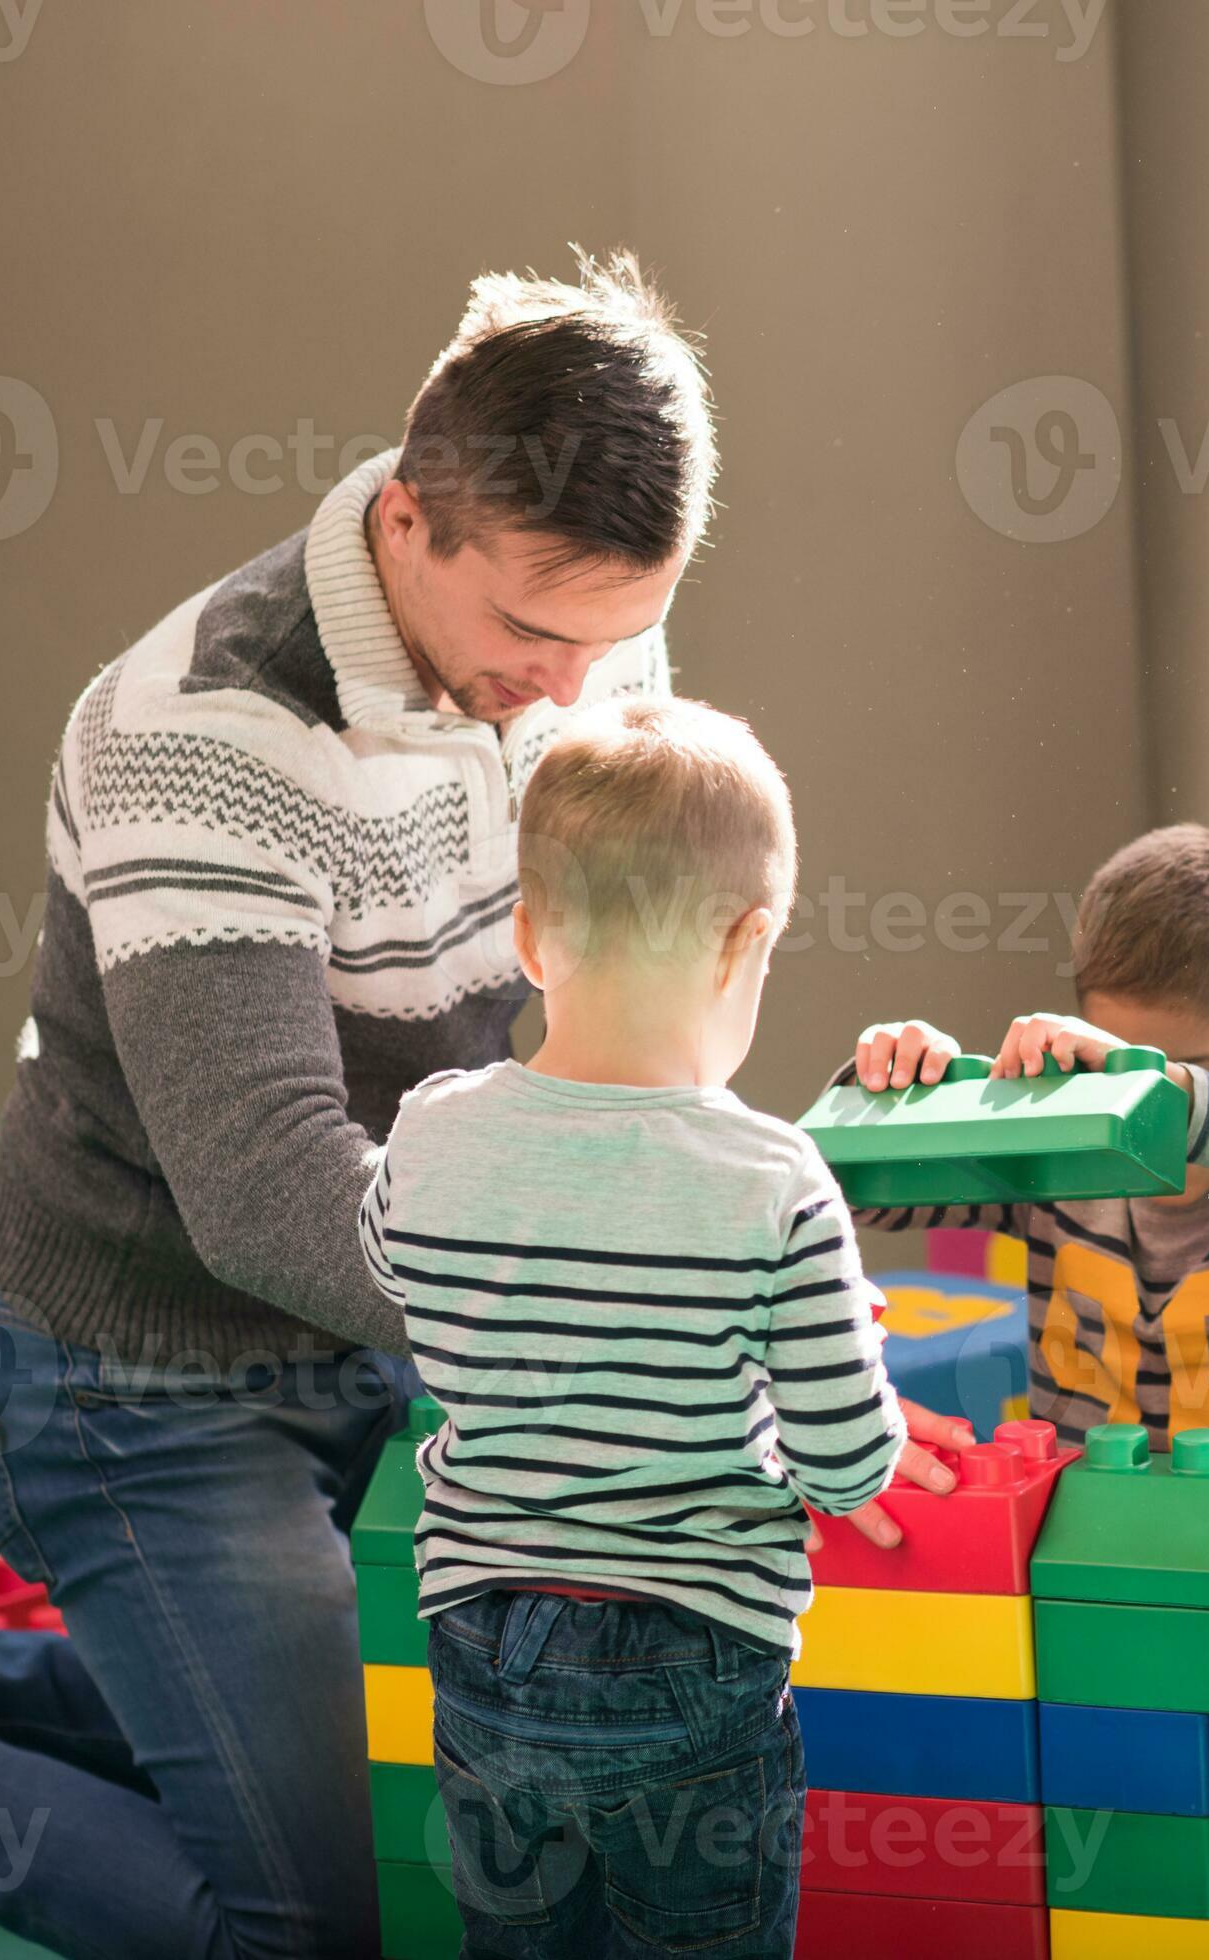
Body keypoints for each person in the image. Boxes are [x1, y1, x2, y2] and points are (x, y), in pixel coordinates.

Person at [0, 252, 958, 1957]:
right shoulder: (206, 727)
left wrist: (759, 1255)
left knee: (476, 1750)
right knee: (322, 1920)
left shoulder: (575, 636)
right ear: (409, 514)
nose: (575, 690)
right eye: (533, 631)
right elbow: (266, 1188)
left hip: (411, 1310)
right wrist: (646, 1296)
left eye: (615, 635)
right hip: (132, 1374)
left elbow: (641, 975)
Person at [358, 697, 905, 1959]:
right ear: (744, 943)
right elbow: (847, 1466)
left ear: (531, 935)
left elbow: (397, 1267)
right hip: (694, 1658)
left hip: (483, 1639)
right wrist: (829, 1345)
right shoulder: (774, 1179)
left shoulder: (433, 1128)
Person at [845, 822, 1209, 1453]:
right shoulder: (1057, 1164)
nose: (1151, 1115)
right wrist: (894, 1092)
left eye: (1189, 1073)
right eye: (1118, 1067)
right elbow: (858, 1197)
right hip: (1088, 1539)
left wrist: (1180, 1096)